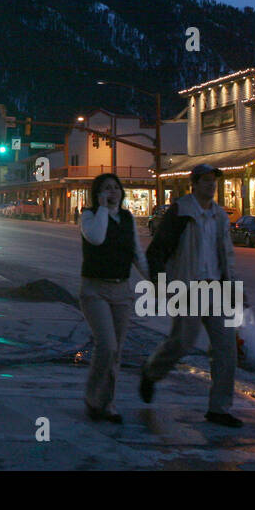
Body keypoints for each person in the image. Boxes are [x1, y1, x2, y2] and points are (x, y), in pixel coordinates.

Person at [139, 163, 242, 428]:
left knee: (226, 348)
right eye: (206, 180)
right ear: (193, 184)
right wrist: (161, 285)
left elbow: (226, 254)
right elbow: (158, 250)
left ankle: (219, 409)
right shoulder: (181, 211)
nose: (211, 185)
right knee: (181, 343)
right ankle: (151, 373)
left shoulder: (220, 215)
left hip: (216, 288)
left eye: (214, 181)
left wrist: (234, 288)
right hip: (187, 288)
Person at [78, 172, 148, 423]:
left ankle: (106, 404)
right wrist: (103, 209)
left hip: (122, 291)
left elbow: (137, 255)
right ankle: (92, 398)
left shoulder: (128, 218)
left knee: (115, 351)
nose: (112, 192)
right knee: (106, 345)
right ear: (98, 193)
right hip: (94, 290)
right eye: (106, 188)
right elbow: (96, 238)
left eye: (115, 188)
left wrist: (156, 282)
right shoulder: (89, 216)